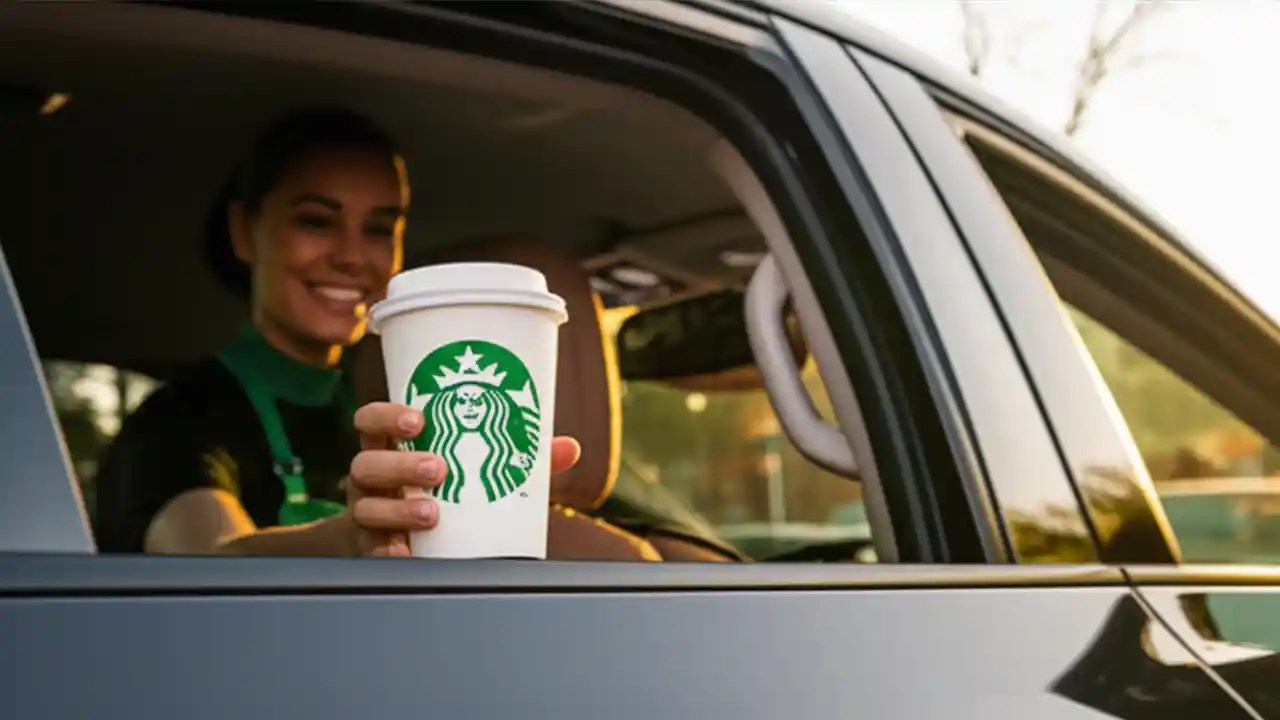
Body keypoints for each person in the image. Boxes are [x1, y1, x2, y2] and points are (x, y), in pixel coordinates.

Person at [93, 107, 583, 557]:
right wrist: (353, 536)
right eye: (317, 221)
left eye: (378, 230)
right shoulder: (175, 421)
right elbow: (211, 560)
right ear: (244, 231)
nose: (352, 257)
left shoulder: (410, 409)